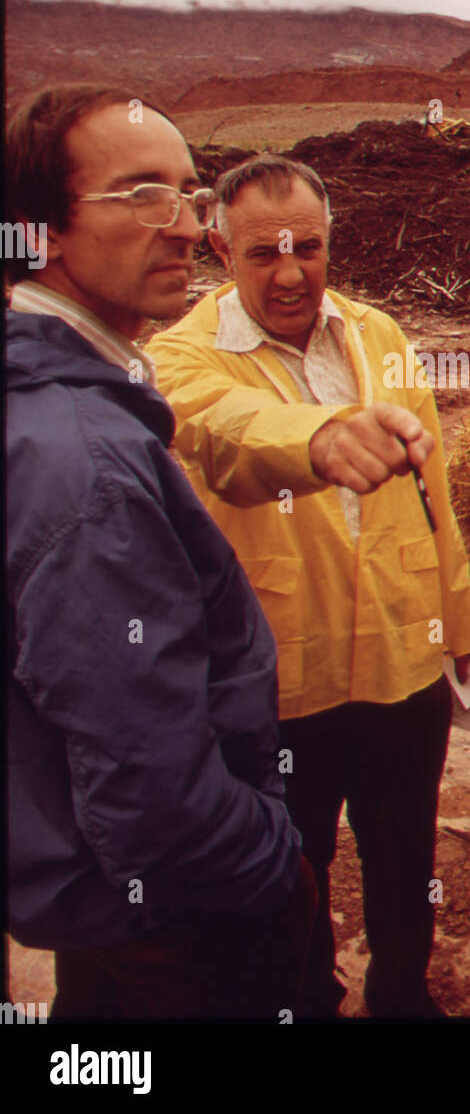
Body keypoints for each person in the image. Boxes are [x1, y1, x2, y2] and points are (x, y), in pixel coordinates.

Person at [147, 153, 470, 1018]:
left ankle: (401, 992)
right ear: (221, 252)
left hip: (399, 657)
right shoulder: (179, 358)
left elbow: (432, 490)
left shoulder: (377, 334)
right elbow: (224, 431)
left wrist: (461, 618)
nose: (291, 271)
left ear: (331, 242)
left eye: (307, 247)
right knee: (287, 862)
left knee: (404, 854)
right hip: (278, 677)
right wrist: (323, 435)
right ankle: (305, 997)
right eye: (263, 253)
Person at [4, 84, 316, 1020]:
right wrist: (270, 864)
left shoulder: (58, 408)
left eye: (189, 195)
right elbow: (145, 779)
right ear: (38, 233)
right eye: (141, 195)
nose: (186, 227)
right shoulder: (84, 457)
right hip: (178, 921)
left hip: (101, 897)